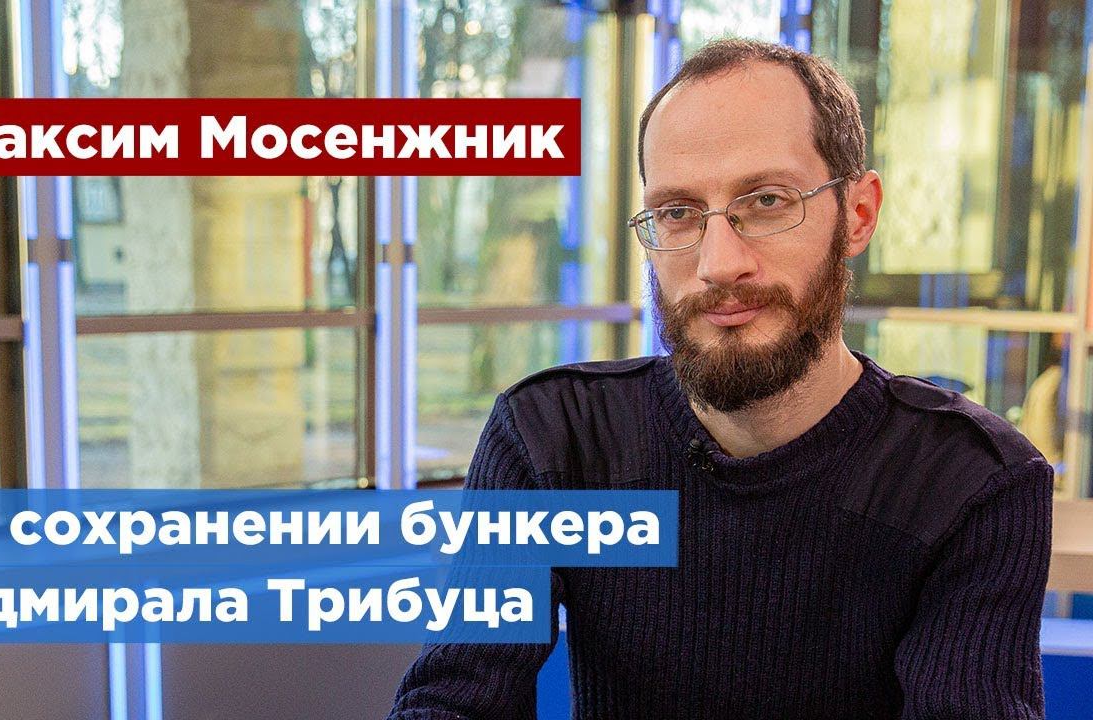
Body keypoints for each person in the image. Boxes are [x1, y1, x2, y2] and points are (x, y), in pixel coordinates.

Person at [387, 38, 1052, 720]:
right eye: (677, 212)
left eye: (766, 200)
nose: (718, 264)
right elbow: (457, 698)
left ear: (858, 214)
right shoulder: (554, 438)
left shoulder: (974, 480)